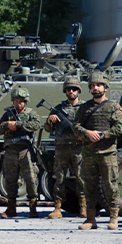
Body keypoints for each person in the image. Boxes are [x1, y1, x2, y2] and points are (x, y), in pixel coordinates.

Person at [76, 71, 122, 230]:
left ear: (105, 87)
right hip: (89, 154)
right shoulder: (84, 108)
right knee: (89, 186)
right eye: (92, 85)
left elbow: (119, 128)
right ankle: (90, 219)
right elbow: (75, 127)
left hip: (107, 153)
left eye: (98, 85)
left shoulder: (114, 106)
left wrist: (103, 135)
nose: (95, 88)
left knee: (110, 186)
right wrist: (87, 133)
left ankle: (114, 218)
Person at [0, 88, 42, 217]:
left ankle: (33, 208)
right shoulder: (8, 114)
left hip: (25, 150)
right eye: (16, 101)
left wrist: (18, 125)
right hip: (11, 150)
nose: (19, 104)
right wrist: (6, 125)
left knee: (31, 180)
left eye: (21, 101)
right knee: (10, 180)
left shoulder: (31, 113)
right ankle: (11, 208)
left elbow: (36, 125)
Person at [44, 79, 84, 219]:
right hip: (62, 148)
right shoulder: (58, 109)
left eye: (74, 89)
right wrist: (50, 120)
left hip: (79, 148)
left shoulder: (84, 108)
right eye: (68, 89)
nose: (71, 91)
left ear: (78, 91)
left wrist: (82, 135)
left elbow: (90, 126)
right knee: (59, 178)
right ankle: (58, 207)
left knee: (81, 177)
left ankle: (84, 206)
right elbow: (48, 128)